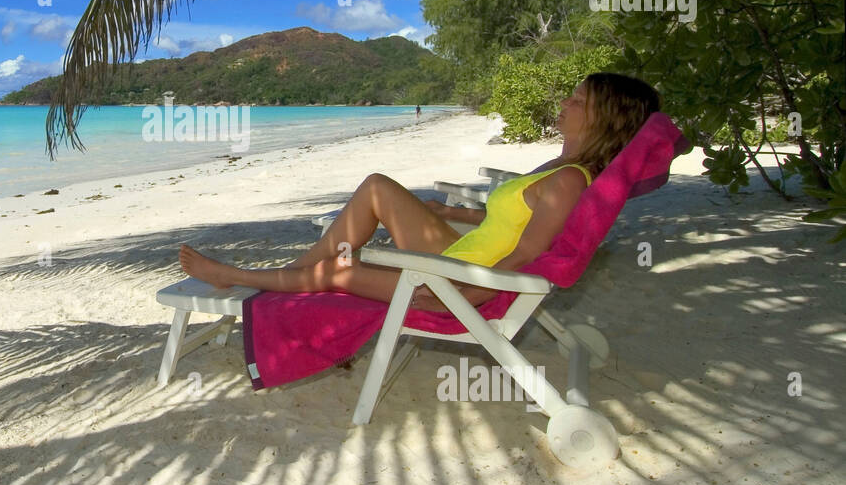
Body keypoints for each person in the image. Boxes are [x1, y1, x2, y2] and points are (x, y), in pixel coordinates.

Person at [179, 73, 661, 312]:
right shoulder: (560, 167)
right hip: (456, 255)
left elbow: (527, 254)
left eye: (577, 100)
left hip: (456, 280)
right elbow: (515, 225)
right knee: (377, 187)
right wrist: (449, 212)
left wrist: (459, 294)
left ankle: (234, 276)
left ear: (604, 116)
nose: (564, 103)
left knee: (338, 271)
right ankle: (293, 270)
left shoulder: (570, 180)